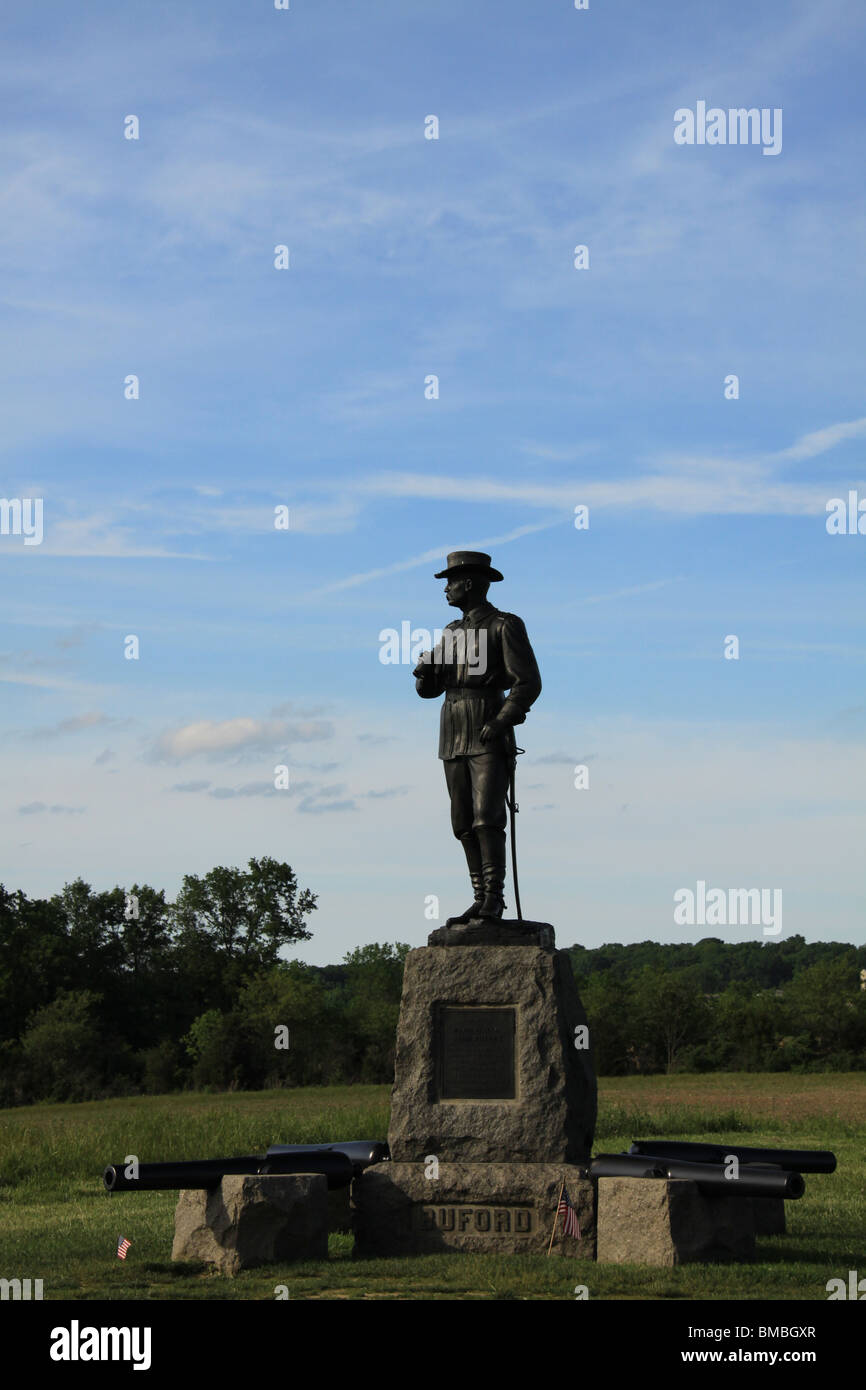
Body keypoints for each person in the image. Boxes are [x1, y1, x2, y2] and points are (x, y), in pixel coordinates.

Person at [413, 551, 541, 924]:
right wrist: (425, 672)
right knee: (463, 821)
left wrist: (501, 721)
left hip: (486, 725)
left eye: (450, 582)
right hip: (453, 728)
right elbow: (429, 692)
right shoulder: (450, 632)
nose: (446, 590)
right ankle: (479, 897)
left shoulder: (504, 625)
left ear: (468, 584)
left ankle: (494, 899)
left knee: (487, 817)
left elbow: (527, 682)